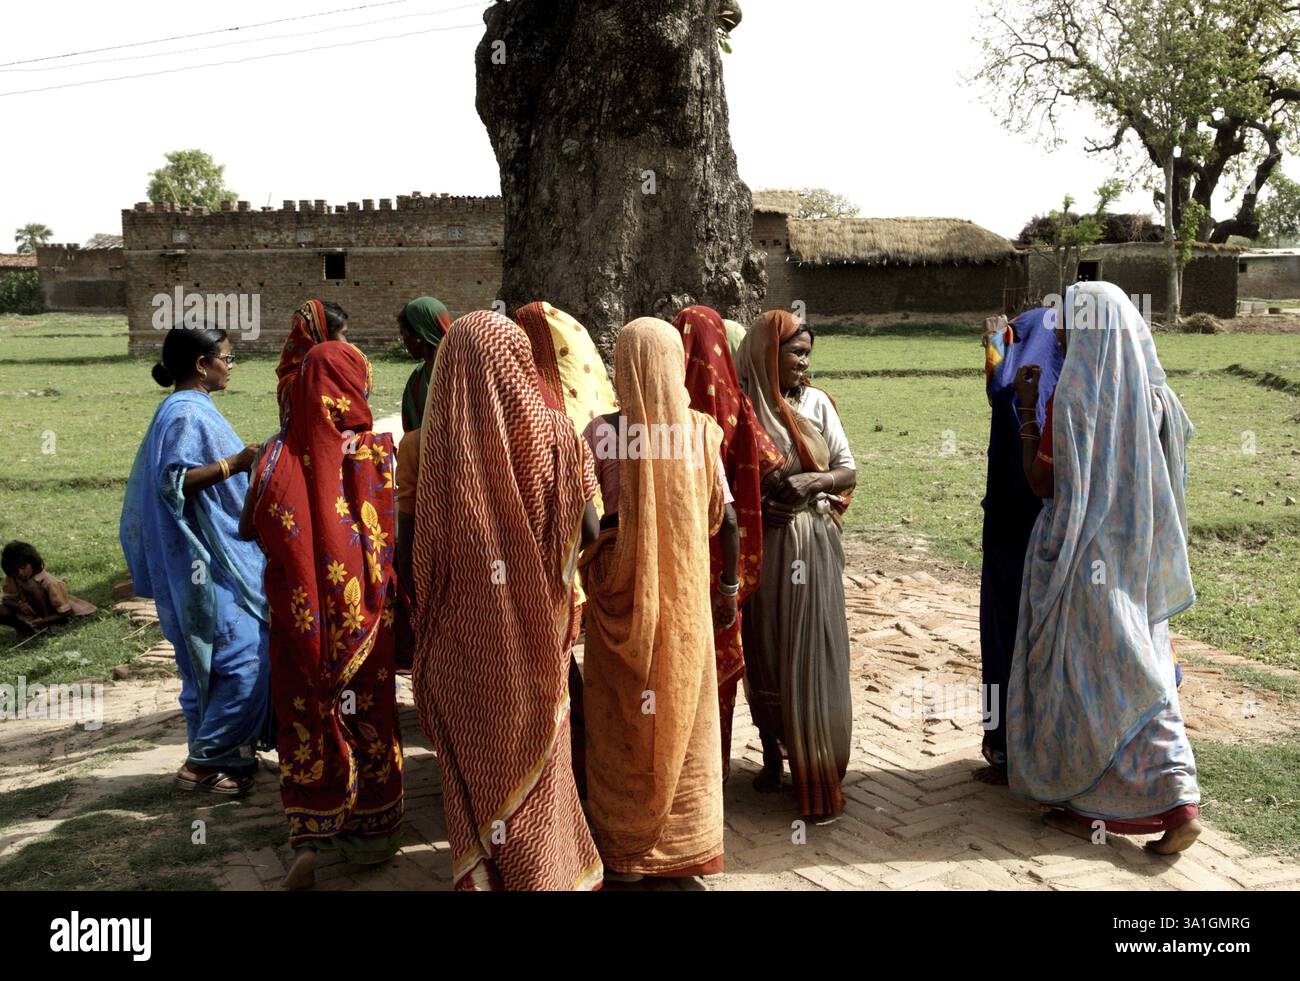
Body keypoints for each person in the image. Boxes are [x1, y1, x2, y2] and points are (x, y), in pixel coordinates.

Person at [410, 310, 602, 891]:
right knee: (538, 766)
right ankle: (545, 877)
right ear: (518, 364)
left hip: (455, 647)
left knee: (476, 773)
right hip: (532, 644)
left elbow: (410, 554)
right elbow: (589, 533)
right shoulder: (555, 437)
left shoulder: (434, 448)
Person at [1008, 281, 1201, 854]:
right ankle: (1116, 798)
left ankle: (1171, 797)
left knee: (1100, 678)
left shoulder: (1076, 399)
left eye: (1066, 320)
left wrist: (1025, 413)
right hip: (1138, 555)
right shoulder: (1157, 398)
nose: (1058, 330)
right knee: (1136, 667)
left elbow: (1044, 482)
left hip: (1082, 559)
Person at [243, 340, 405, 890]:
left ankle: (310, 839)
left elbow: (250, 526)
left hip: (301, 626)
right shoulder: (373, 452)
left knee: (308, 721)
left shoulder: (272, 456)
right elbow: (390, 536)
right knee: (369, 719)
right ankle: (371, 837)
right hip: (364, 624)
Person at [580, 317, 734, 880]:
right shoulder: (698, 432)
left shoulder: (600, 434)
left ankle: (624, 850)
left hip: (619, 599)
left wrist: (610, 561)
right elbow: (727, 517)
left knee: (621, 717)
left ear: (621, 368)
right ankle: (681, 842)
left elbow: (587, 522)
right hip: (686, 599)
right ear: (676, 365)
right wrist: (727, 587)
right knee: (681, 712)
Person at [120, 323, 270, 796]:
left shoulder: (188, 407)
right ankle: (202, 764)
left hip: (205, 558)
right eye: (226, 357)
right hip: (207, 562)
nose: (230, 366)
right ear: (201, 365)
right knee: (245, 658)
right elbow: (175, 483)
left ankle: (228, 758)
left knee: (207, 664)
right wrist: (239, 463)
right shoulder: (186, 412)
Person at [734, 310, 856, 821]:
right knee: (768, 646)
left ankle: (817, 762)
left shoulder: (818, 404)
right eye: (794, 353)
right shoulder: (741, 407)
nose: (803, 363)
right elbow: (726, 476)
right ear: (767, 354)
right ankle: (770, 753)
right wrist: (760, 506)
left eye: (808, 354)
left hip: (813, 540)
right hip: (767, 545)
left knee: (815, 649)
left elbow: (847, 470)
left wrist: (813, 483)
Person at [671, 305, 783, 782]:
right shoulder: (735, 406)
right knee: (716, 673)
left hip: (671, 566)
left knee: (672, 676)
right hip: (723, 569)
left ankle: (674, 778)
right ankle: (709, 778)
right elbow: (772, 462)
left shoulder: (655, 413)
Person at [515, 300, 619, 797]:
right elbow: (593, 524)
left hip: (493, 600)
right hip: (566, 577)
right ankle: (567, 783)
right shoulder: (572, 416)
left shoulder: (460, 430)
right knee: (558, 677)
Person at [976, 307, 1064, 785]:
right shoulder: (1073, 379)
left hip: (1011, 525)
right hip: (1054, 529)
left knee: (1001, 635)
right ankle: (1046, 747)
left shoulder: (1015, 382)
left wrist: (994, 340)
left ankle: (1002, 744)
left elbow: (997, 387)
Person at [393, 297, 453, 671]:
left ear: (423, 335)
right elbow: (411, 436)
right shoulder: (417, 382)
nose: (404, 342)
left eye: (408, 335)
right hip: (428, 492)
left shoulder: (458, 374)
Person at [1, 542, 97, 638]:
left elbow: (66, 612)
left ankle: (47, 626)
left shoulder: (50, 582)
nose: (20, 573)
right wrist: (20, 606)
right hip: (31, 616)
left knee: (30, 585)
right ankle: (26, 629)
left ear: (32, 561)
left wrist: (44, 621)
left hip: (53, 616)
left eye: (23, 567)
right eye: (15, 571)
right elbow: (6, 600)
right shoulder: (13, 577)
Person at [275, 300, 350, 421]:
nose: (347, 343)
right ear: (322, 335)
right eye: (344, 334)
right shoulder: (309, 378)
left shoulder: (294, 377)